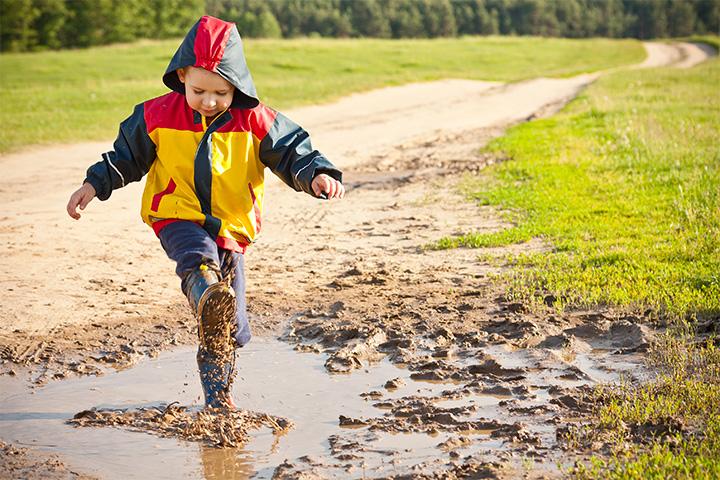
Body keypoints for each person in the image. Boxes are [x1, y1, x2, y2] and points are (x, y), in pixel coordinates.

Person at [66, 15, 344, 409]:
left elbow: (292, 149)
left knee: (228, 324)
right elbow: (125, 158)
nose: (209, 101)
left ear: (237, 87)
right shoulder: (156, 115)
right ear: (181, 76)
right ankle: (204, 291)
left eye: (221, 92)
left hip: (231, 228)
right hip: (176, 213)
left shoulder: (255, 120)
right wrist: (93, 185)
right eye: (199, 90)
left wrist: (316, 174)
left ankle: (218, 399)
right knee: (199, 262)